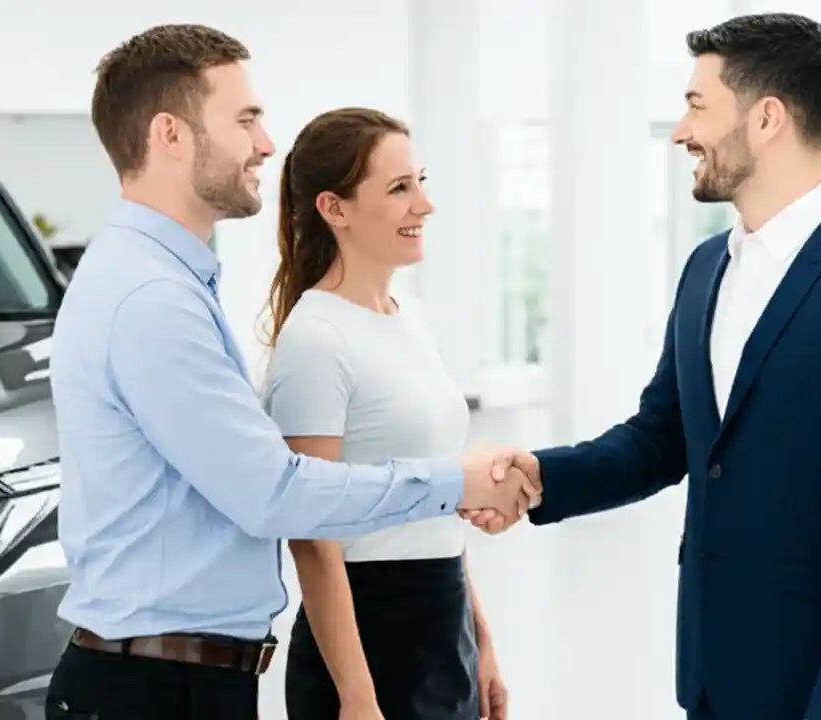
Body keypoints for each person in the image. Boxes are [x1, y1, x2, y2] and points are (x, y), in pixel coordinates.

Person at [466, 13, 821, 720]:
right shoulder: (706, 269)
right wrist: (542, 478)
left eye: (698, 105)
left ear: (767, 119)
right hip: (715, 678)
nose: (679, 131)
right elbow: (663, 437)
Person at [45, 25, 537, 720]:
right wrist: (459, 480)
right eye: (245, 119)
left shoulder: (167, 284)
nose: (266, 144)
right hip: (154, 688)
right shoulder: (152, 300)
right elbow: (276, 497)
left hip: (179, 679)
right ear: (170, 134)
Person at [259, 107, 508, 720]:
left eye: (420, 182)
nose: (423, 205)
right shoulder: (316, 338)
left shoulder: (412, 317)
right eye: (400, 188)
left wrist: (480, 639)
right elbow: (313, 538)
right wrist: (357, 696)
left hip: (441, 618)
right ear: (334, 208)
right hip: (371, 638)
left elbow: (438, 499)